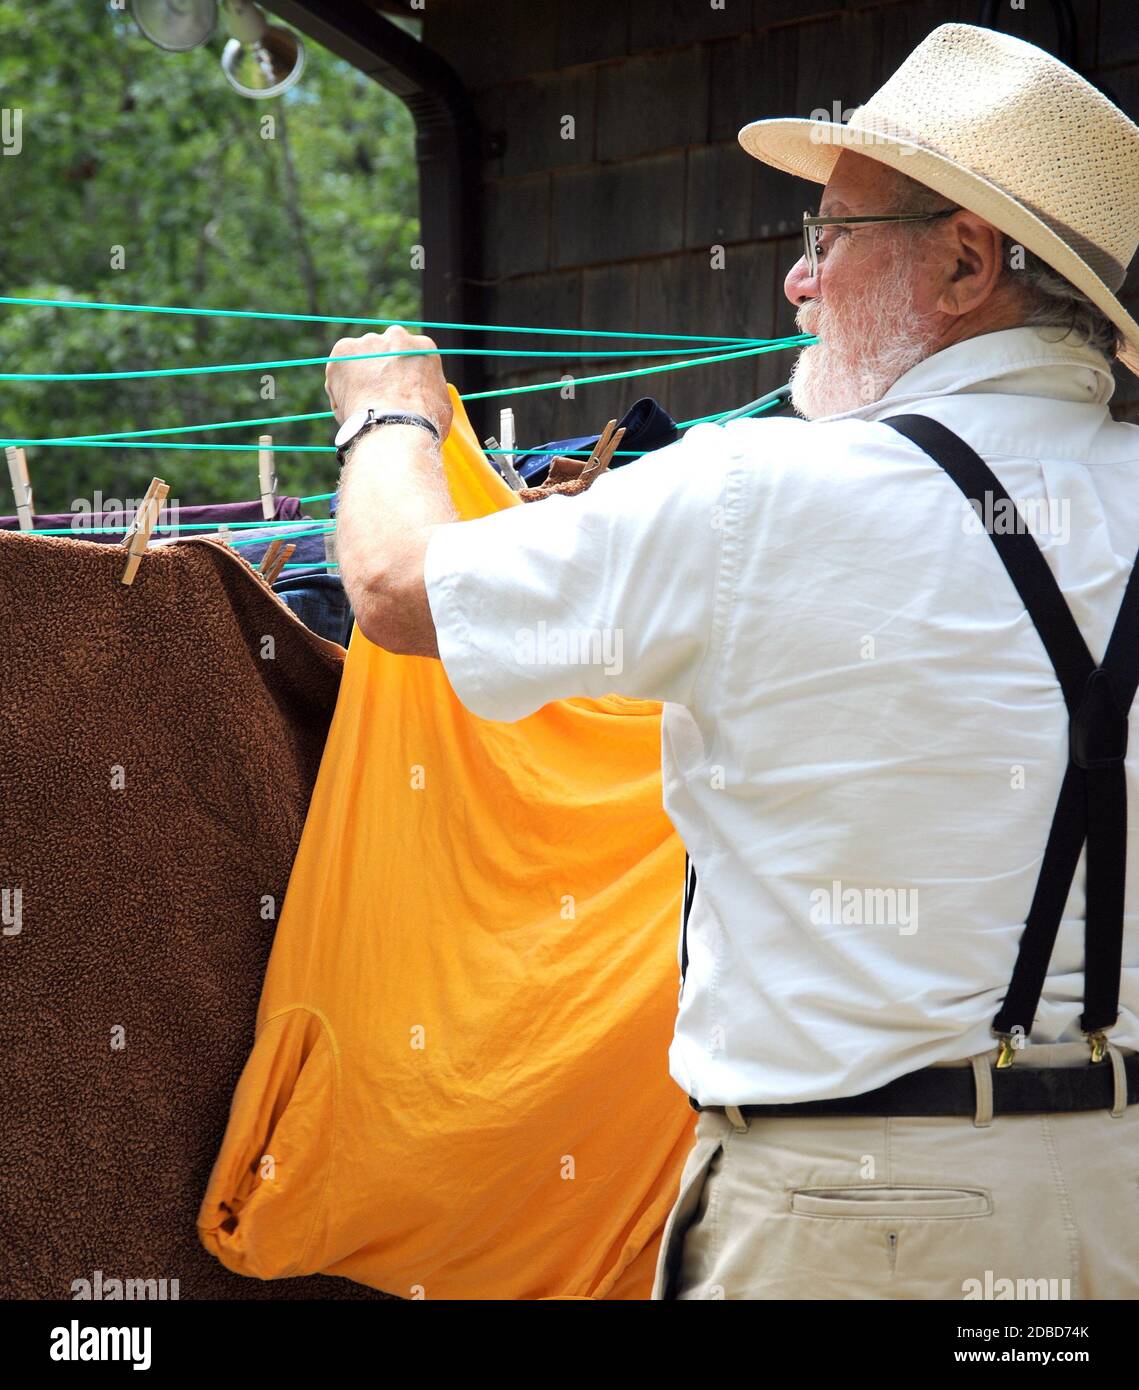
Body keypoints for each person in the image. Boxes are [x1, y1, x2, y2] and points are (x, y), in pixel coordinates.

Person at [328, 23, 1139, 1299]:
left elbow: (390, 588)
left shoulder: (752, 493)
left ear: (966, 262)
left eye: (827, 238)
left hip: (852, 1220)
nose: (796, 287)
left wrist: (388, 413)